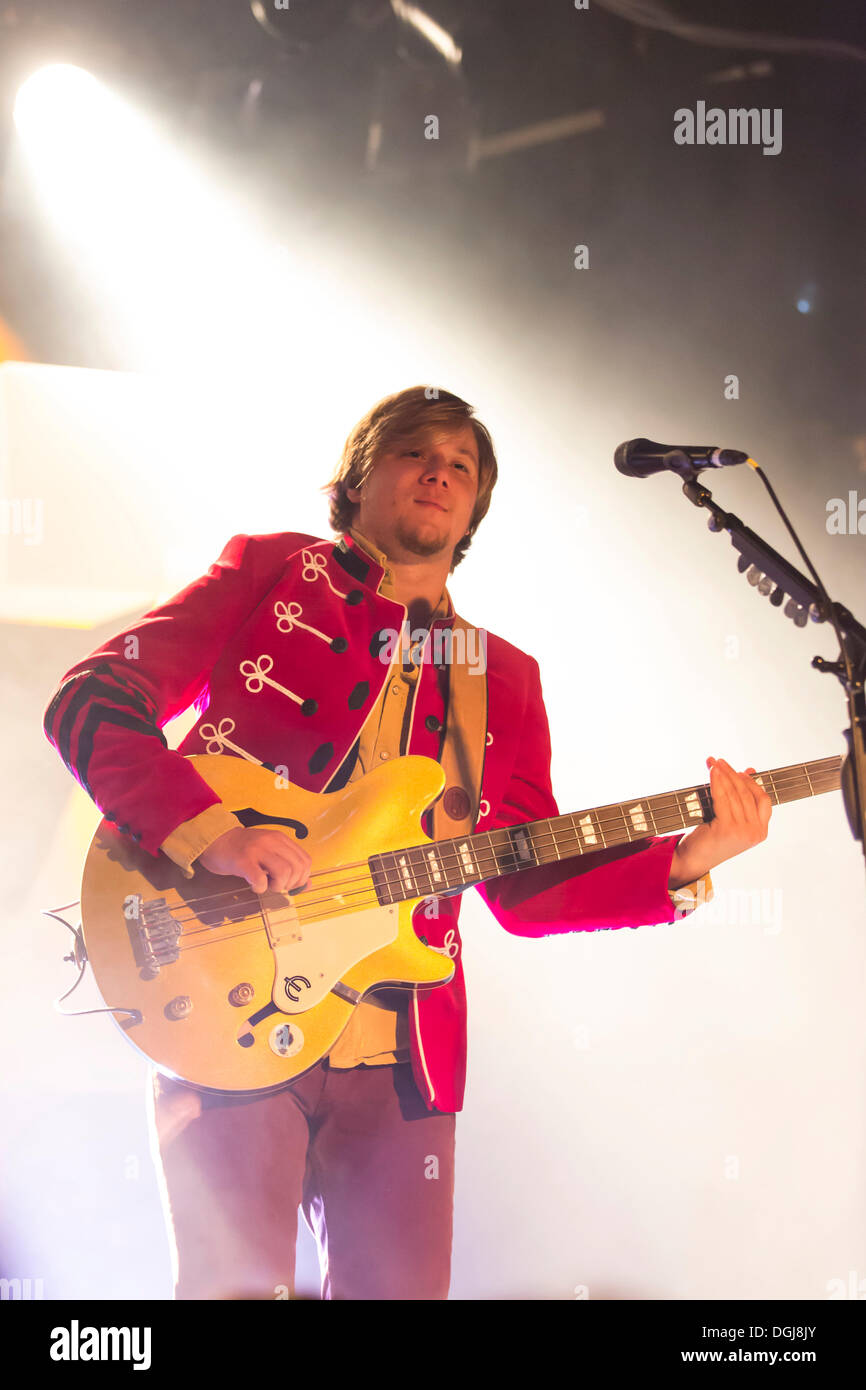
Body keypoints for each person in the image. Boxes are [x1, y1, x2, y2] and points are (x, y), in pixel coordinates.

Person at [42, 385, 772, 1300]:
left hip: (401, 1064)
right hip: (221, 1001)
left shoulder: (502, 676)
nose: (440, 472)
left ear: (474, 512)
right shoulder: (270, 572)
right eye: (414, 452)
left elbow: (522, 884)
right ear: (355, 483)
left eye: (462, 466)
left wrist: (684, 862)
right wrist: (218, 837)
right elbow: (91, 700)